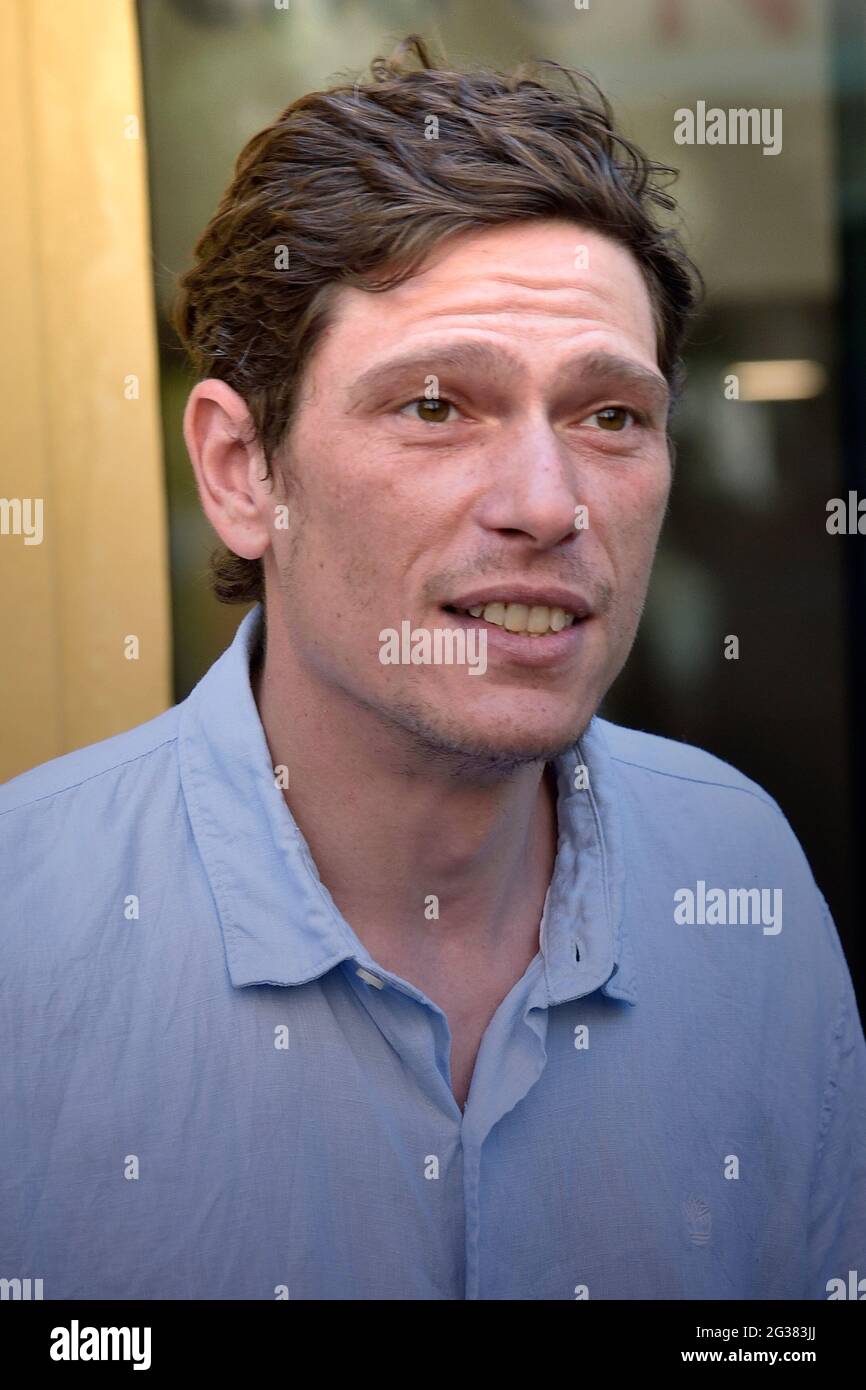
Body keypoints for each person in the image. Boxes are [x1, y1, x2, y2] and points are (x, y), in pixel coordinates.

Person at [1, 37, 863, 1301]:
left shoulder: (737, 872)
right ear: (245, 474)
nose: (545, 503)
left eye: (607, 415)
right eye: (433, 406)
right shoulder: (29, 936)